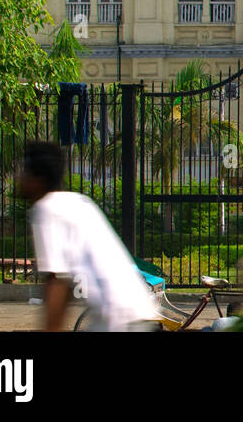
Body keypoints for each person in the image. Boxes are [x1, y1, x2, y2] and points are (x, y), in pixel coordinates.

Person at [17, 141, 159, 331]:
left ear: (38, 178)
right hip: (138, 313)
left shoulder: (47, 209)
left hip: (117, 322)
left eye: (24, 172)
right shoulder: (79, 202)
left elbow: (56, 282)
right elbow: (65, 285)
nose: (20, 178)